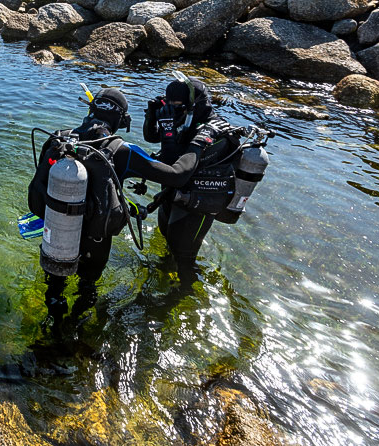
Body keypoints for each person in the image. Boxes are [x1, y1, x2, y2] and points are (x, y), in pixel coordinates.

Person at [27, 86, 220, 332]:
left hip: (57, 232)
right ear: (121, 120)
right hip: (96, 241)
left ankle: (51, 325)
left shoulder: (57, 139)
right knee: (87, 289)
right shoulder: (121, 151)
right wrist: (199, 143)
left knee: (55, 285)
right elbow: (177, 175)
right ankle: (76, 332)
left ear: (91, 109)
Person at [143, 71, 240, 281]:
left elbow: (174, 172)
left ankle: (185, 295)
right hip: (174, 196)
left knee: (184, 258)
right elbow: (151, 137)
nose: (173, 109)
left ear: (194, 105)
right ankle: (163, 279)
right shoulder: (185, 121)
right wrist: (152, 116)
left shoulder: (213, 134)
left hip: (196, 204)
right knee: (167, 242)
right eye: (169, 103)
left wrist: (169, 129)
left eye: (177, 105)